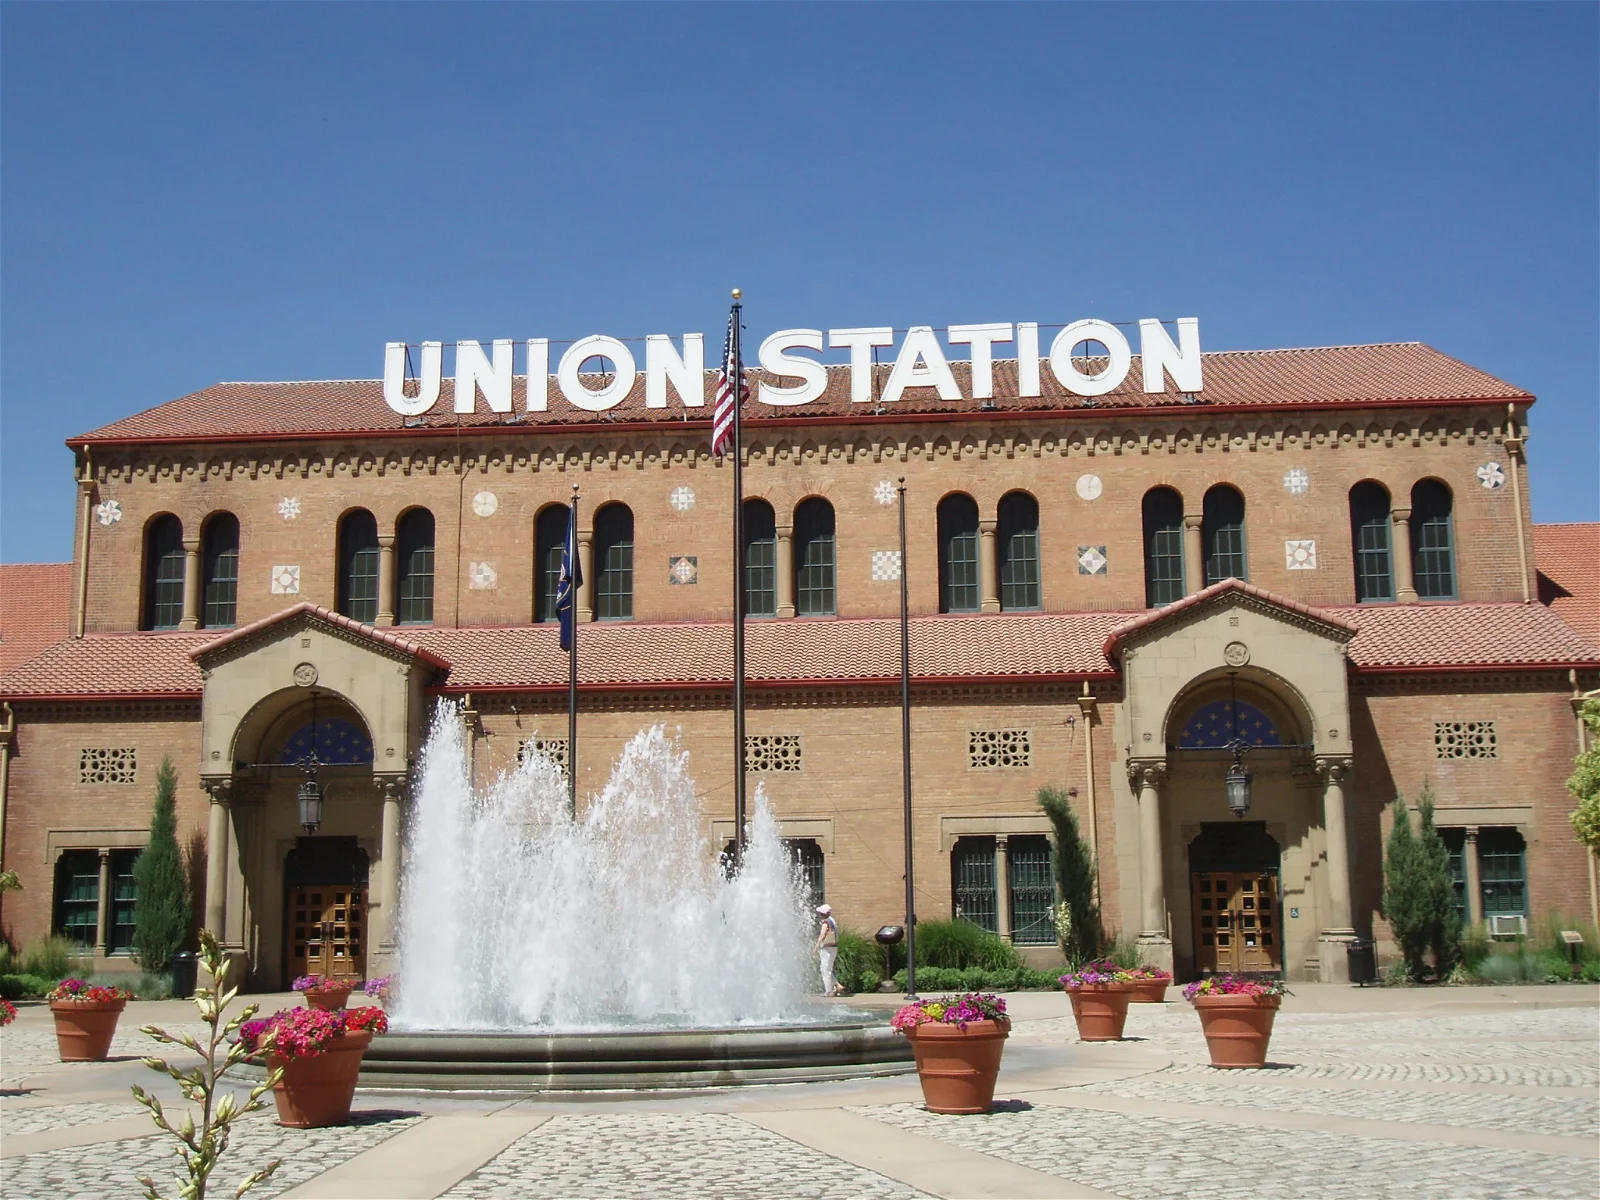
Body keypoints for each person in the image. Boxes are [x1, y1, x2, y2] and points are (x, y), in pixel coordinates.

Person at [815, 904, 842, 996]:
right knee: (828, 969)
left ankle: (828, 991)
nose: (819, 915)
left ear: (823, 913)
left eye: (820, 913)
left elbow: (822, 935)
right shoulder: (832, 921)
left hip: (827, 948)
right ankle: (837, 985)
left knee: (825, 970)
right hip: (834, 947)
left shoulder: (826, 922)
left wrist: (816, 947)